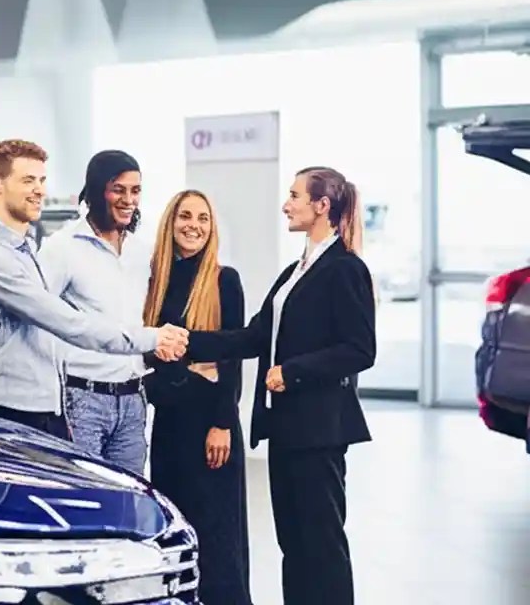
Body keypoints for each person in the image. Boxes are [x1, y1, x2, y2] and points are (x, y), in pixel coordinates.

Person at [184, 166, 375, 605]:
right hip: (287, 428)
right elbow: (254, 336)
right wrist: (185, 341)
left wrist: (292, 371)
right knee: (294, 544)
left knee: (321, 545)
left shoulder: (345, 268)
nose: (286, 204)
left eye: (294, 196)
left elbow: (360, 349)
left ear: (322, 206)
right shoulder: (296, 270)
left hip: (320, 431)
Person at [0, 139, 188, 439]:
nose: (40, 189)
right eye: (28, 180)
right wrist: (153, 338)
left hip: (46, 405)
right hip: (13, 411)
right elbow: (68, 323)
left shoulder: (21, 248)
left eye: (41, 180)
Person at [142, 190, 252, 605]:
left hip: (212, 425)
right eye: (185, 216)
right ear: (170, 224)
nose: (194, 225)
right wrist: (183, 368)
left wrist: (223, 422)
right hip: (170, 425)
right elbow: (148, 354)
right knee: (175, 528)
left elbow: (232, 356)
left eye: (203, 218)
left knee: (218, 537)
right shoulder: (155, 280)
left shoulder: (225, 280)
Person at [39, 150, 153, 475]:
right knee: (87, 501)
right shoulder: (62, 248)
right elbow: (36, 316)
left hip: (133, 400)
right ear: (97, 189)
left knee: (130, 503)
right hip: (82, 400)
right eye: (118, 189)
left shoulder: (142, 252)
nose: (128, 199)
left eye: (135, 190)